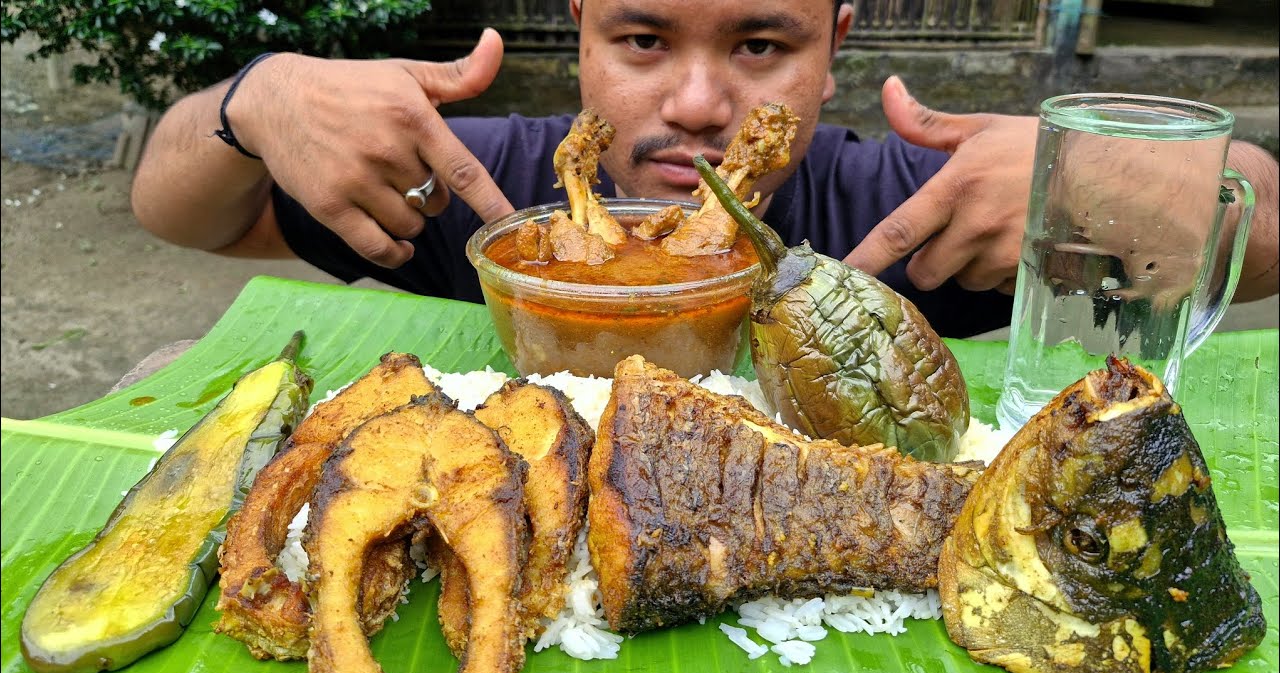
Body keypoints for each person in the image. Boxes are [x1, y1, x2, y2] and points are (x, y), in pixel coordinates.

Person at [130, 0, 1279, 339]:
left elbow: (1265, 227)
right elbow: (195, 218)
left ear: (834, 46)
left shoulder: (908, 210)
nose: (695, 103)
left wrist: (1122, 181)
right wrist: (249, 100)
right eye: (641, 42)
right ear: (578, 33)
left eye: (760, 46)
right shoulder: (482, 191)